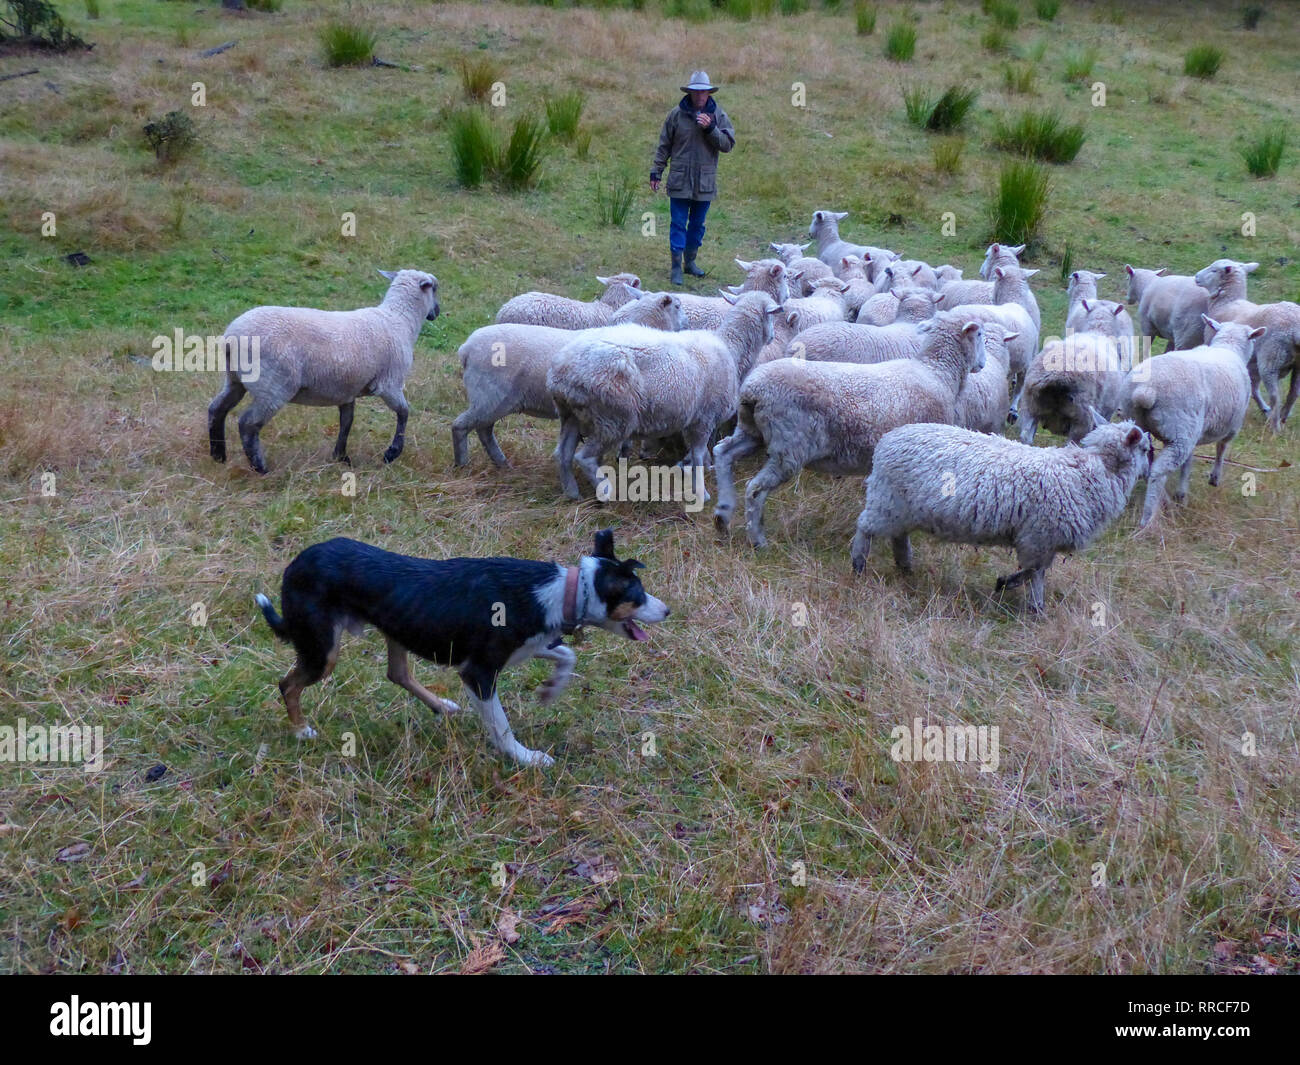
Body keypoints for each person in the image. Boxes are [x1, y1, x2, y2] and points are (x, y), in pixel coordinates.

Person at [650, 71, 735, 286]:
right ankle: (676, 267)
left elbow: (727, 144)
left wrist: (711, 129)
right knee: (678, 223)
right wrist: (656, 172)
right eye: (696, 92)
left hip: (704, 183)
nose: (699, 97)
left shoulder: (718, 115)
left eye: (703, 92)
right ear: (690, 92)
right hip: (679, 181)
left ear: (708, 93)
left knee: (697, 225)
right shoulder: (676, 115)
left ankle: (690, 262)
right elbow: (664, 146)